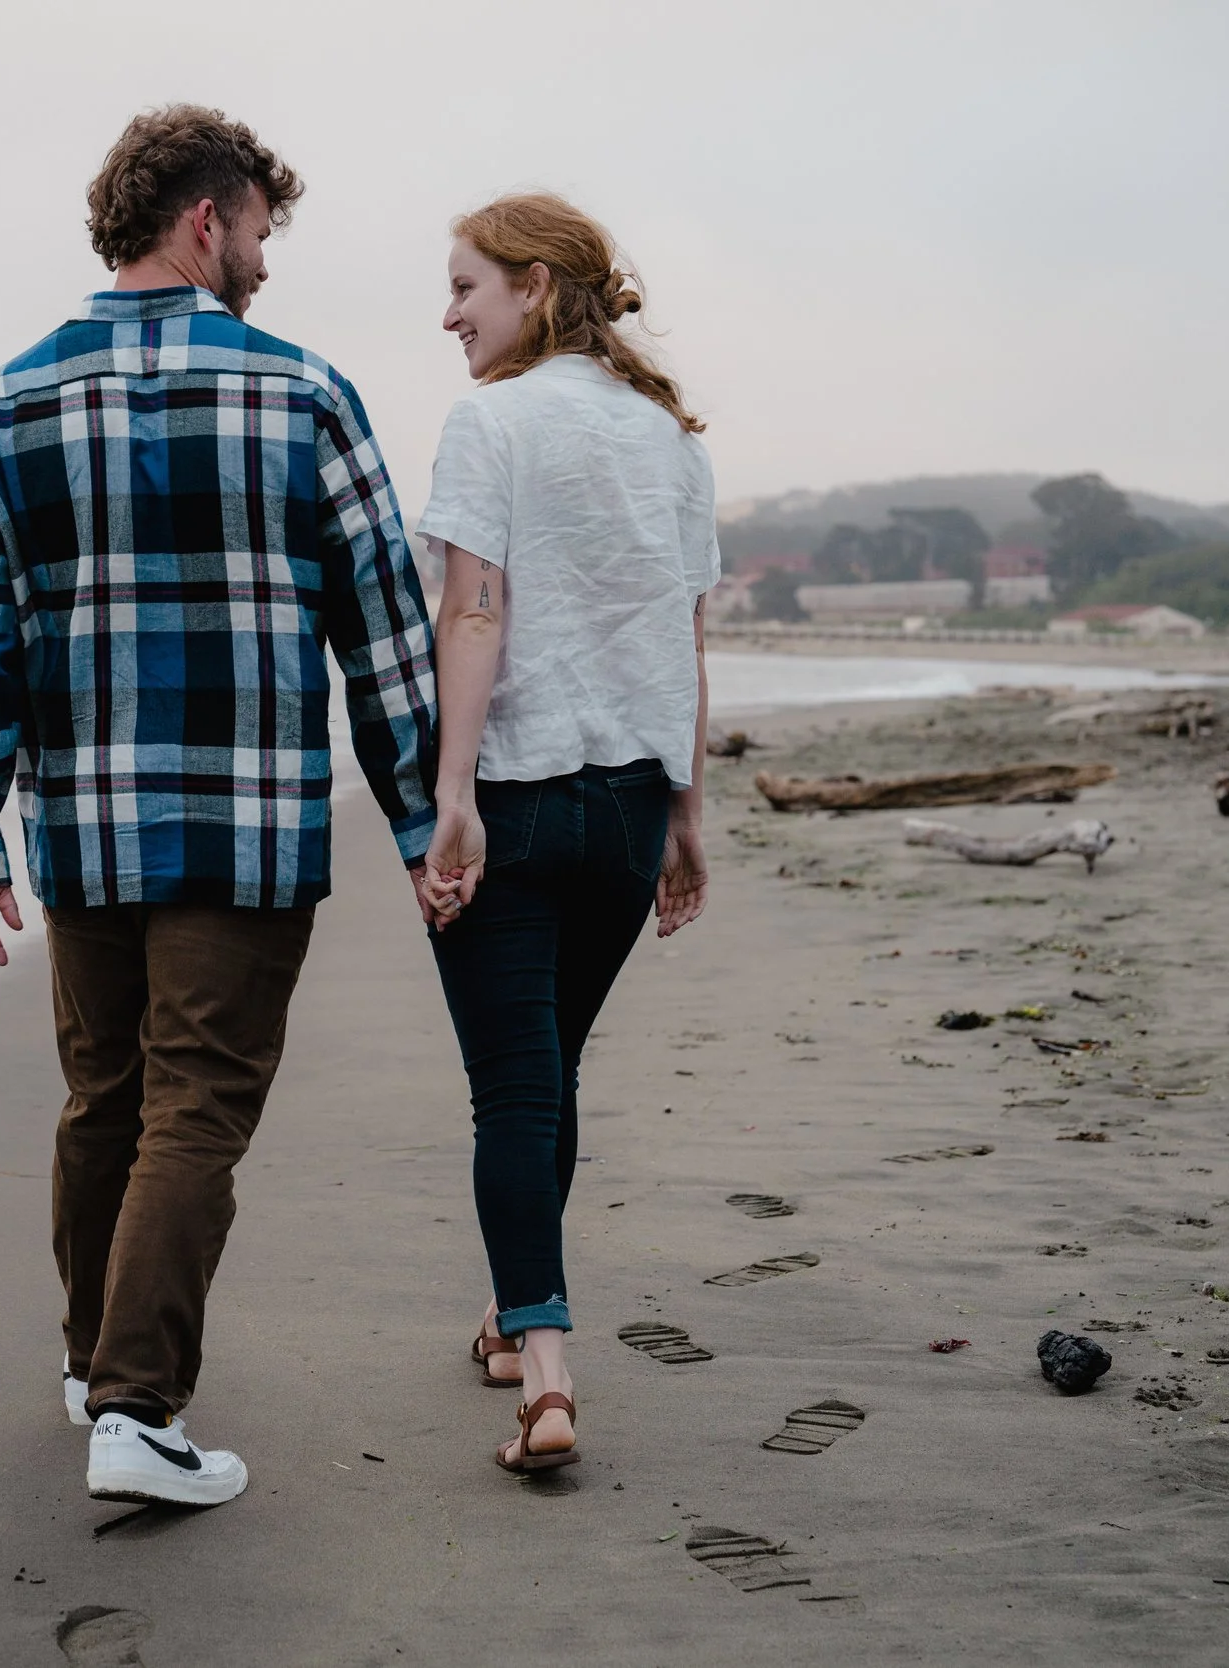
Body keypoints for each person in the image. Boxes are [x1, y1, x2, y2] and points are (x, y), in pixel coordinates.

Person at [0, 105, 438, 1508]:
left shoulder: (0, 405)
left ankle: (94, 1363)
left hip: (82, 826)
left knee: (107, 1097)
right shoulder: (306, 393)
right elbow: (384, 629)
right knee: (194, 1103)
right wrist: (420, 816)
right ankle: (137, 1415)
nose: (263, 256)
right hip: (246, 823)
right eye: (259, 228)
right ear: (207, 219)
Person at [411, 192, 716, 1474]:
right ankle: (505, 1322)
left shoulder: (490, 423)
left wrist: (452, 795)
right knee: (549, 1075)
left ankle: (545, 1368)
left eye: (465, 287)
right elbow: (681, 637)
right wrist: (685, 813)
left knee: (515, 1091)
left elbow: (473, 613)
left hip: (522, 795)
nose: (449, 315)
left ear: (534, 286)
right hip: (630, 807)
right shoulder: (669, 439)